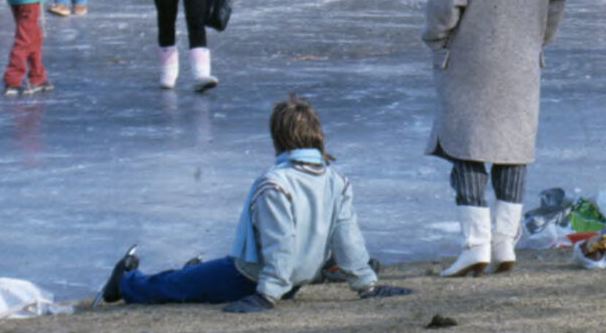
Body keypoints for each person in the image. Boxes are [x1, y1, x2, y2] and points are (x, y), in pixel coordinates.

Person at [96, 95, 411, 312]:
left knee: (178, 285)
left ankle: (125, 283)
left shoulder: (275, 185)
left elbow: (281, 242)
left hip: (253, 278)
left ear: (278, 139)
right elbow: (348, 237)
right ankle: (193, 272)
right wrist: (367, 285)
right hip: (292, 279)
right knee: (198, 275)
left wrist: (266, 295)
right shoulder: (336, 179)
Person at [426, 0, 567, 277]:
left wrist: (437, 38)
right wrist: (536, 41)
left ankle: (475, 245)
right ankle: (505, 242)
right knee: (512, 148)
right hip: (523, 58)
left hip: (470, 56)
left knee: (466, 149)